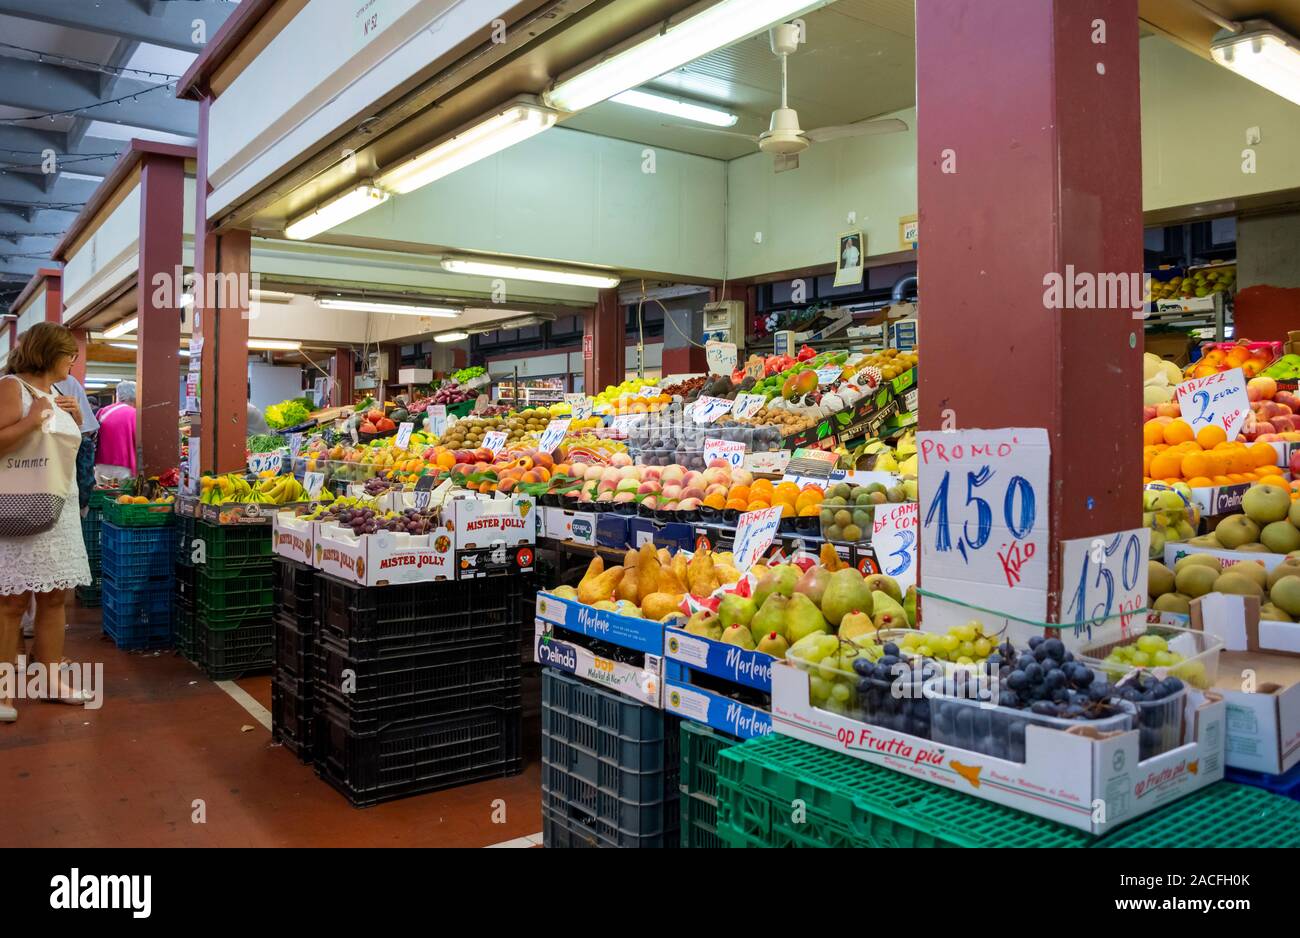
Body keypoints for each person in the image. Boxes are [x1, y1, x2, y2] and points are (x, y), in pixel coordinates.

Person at [0, 322, 93, 721]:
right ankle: (3, 691)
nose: (73, 362)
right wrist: (34, 418)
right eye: (69, 354)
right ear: (49, 353)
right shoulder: (11, 387)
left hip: (58, 507)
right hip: (19, 507)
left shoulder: (57, 393)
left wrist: (67, 415)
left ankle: (50, 679)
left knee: (55, 596)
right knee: (11, 601)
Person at [94, 380, 137, 482]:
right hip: (124, 466)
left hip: (100, 464)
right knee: (122, 497)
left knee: (101, 495)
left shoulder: (102, 411)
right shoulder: (134, 414)